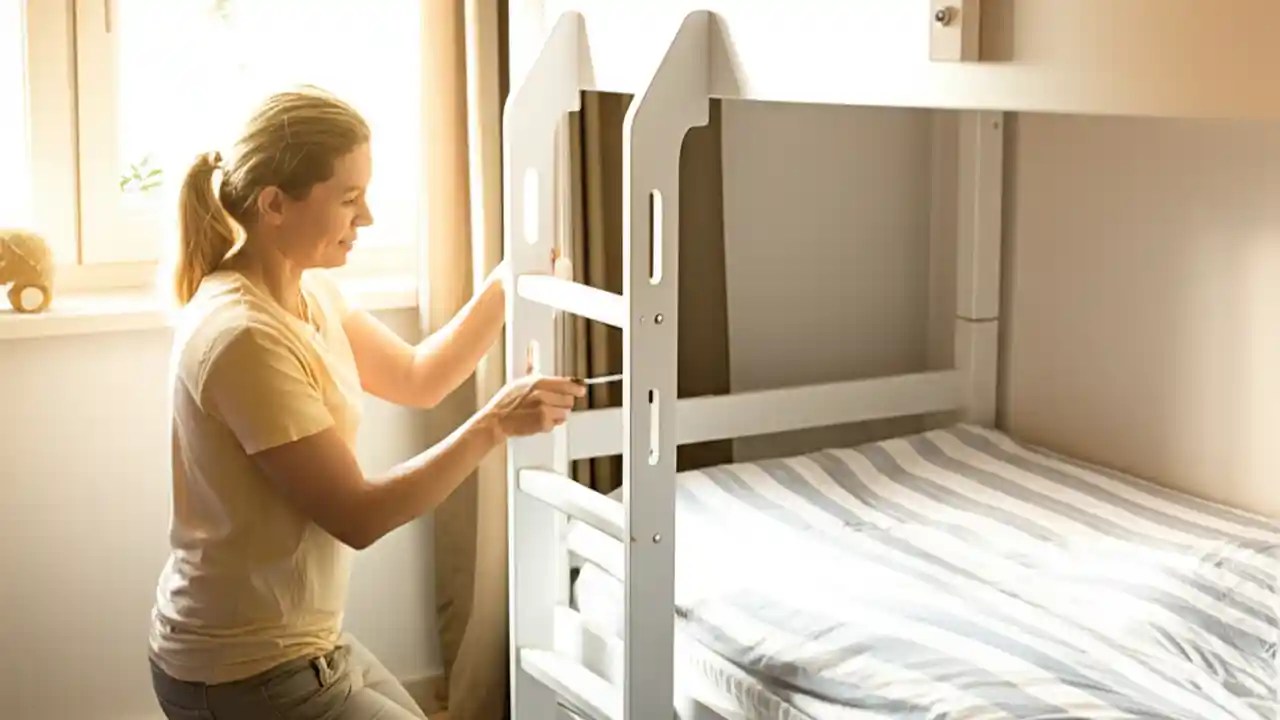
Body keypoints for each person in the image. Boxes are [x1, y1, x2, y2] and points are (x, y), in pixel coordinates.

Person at [147, 86, 584, 719]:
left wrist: (511, 279)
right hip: (241, 667)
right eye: (349, 198)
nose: (368, 217)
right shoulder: (242, 335)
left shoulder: (306, 292)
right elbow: (358, 514)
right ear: (274, 204)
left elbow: (418, 376)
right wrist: (494, 425)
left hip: (301, 645)